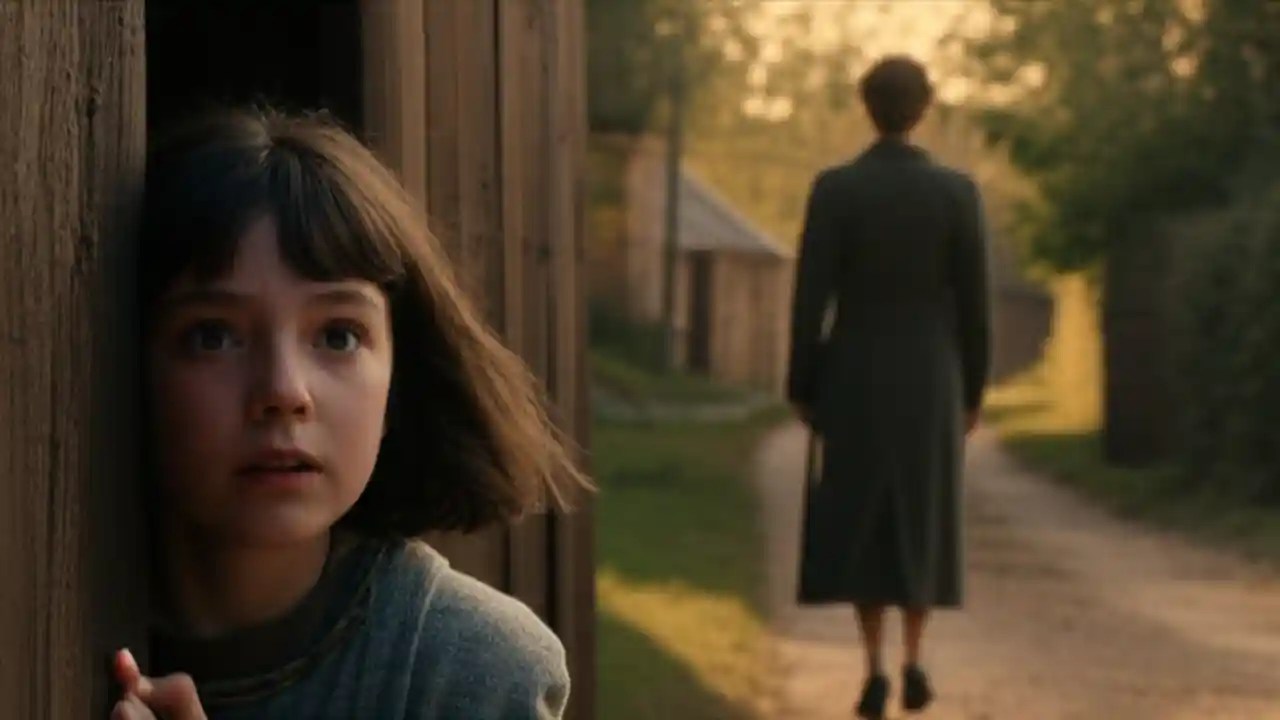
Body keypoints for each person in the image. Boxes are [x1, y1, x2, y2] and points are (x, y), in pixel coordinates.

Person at [109, 107, 588, 720]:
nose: (284, 391)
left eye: (338, 336)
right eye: (213, 336)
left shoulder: (470, 671)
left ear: (398, 377)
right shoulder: (38, 618)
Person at [786, 56, 992, 719]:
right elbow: (976, 306)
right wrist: (973, 390)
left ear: (866, 106)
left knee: (865, 518)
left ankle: (873, 664)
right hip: (931, 376)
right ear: (924, 107)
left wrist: (803, 382)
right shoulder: (957, 194)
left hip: (855, 372)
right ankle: (914, 657)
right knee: (922, 516)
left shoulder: (836, 190)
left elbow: (810, 297)